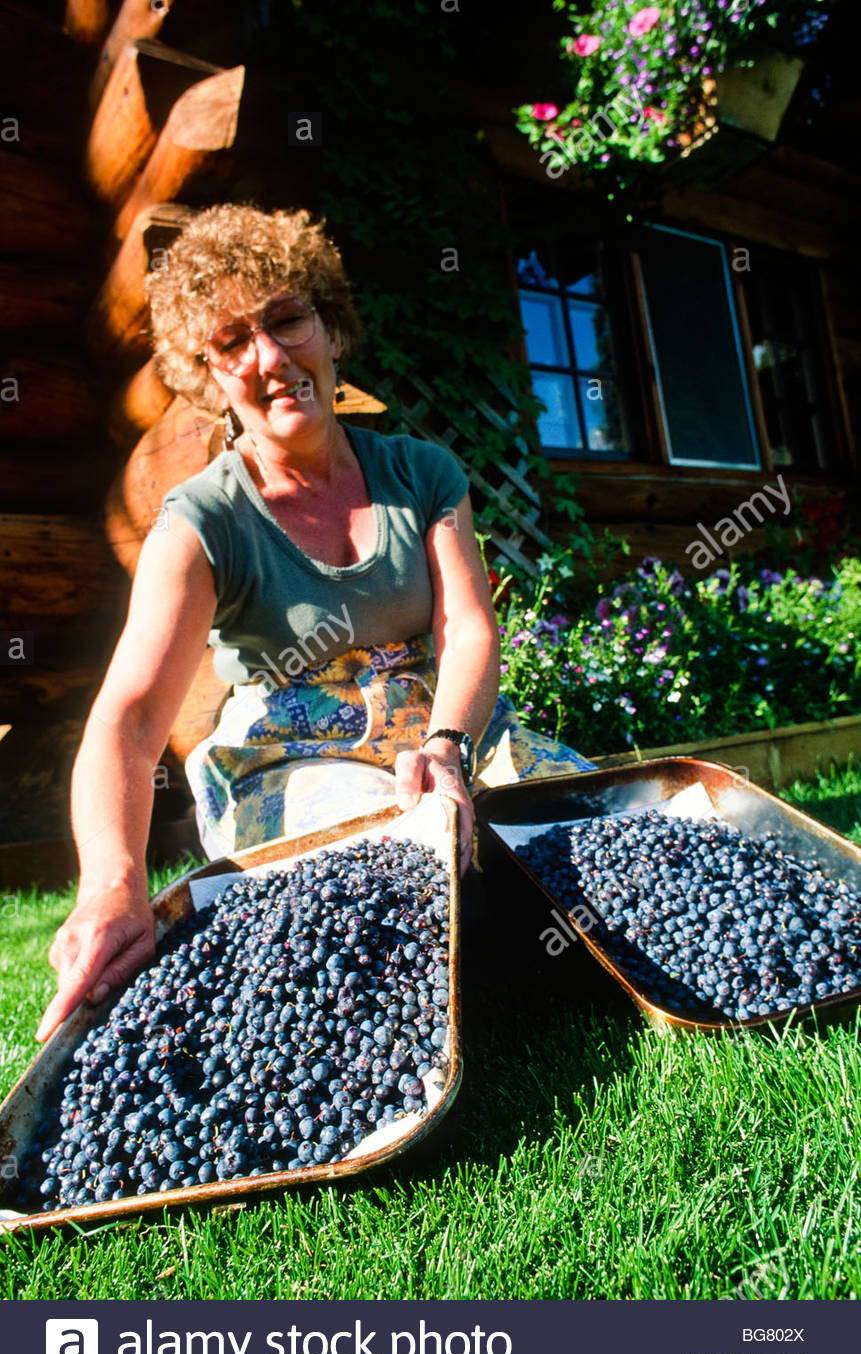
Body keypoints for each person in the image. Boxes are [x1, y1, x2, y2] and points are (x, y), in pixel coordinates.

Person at [36, 204, 593, 1044]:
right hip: (296, 756)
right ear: (209, 375)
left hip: (442, 730)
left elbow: (469, 630)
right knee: (382, 876)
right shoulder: (201, 523)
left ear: (330, 329)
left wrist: (446, 747)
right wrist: (110, 885)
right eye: (231, 343)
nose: (268, 358)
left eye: (286, 320)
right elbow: (130, 718)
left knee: (592, 833)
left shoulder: (422, 473)